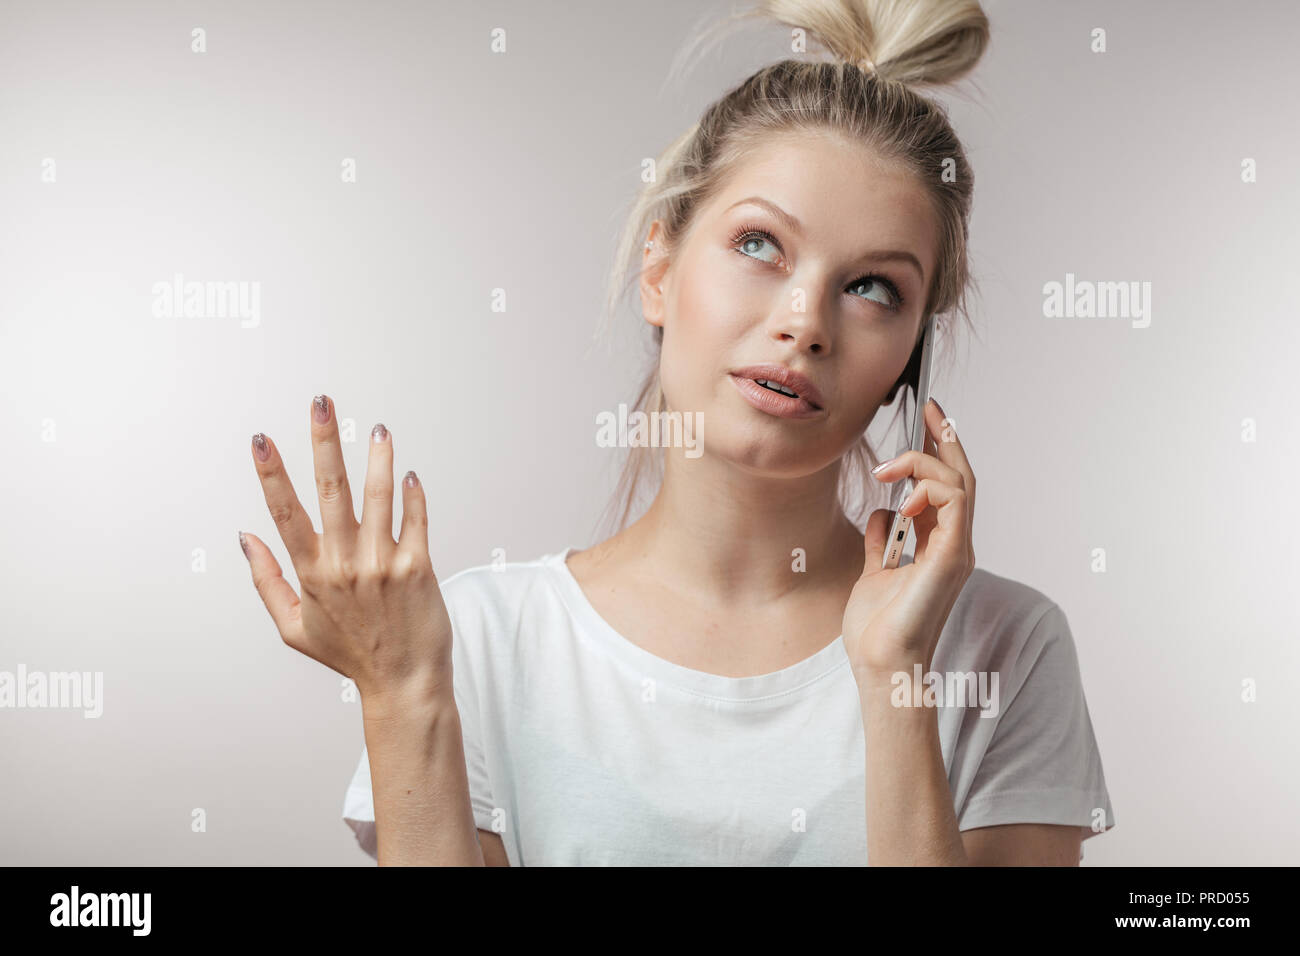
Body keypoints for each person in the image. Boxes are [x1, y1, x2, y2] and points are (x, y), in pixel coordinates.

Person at [240, 0, 1115, 865]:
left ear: (910, 351)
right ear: (658, 269)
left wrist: (895, 679)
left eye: (874, 288)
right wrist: (402, 692)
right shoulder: (478, 641)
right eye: (761, 245)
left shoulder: (1003, 646)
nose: (806, 323)